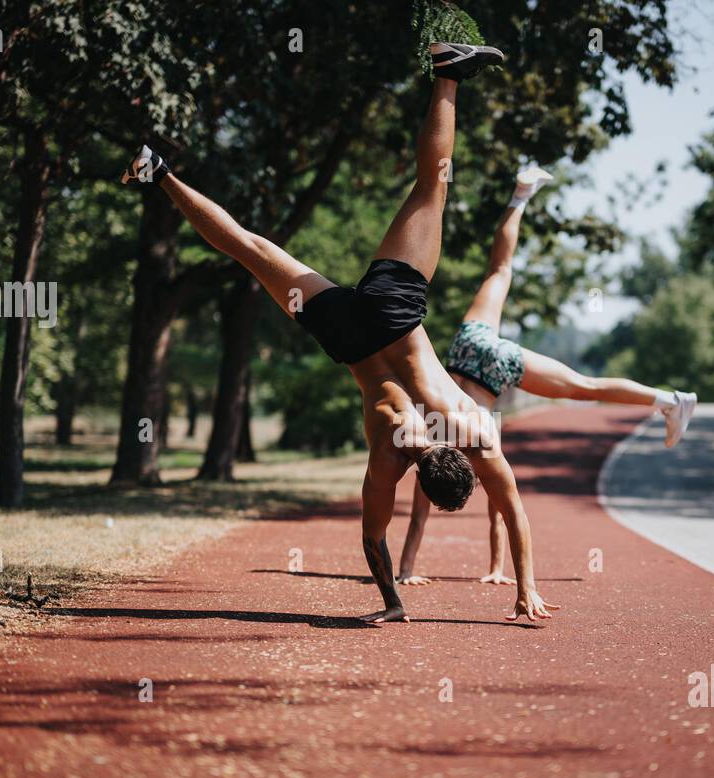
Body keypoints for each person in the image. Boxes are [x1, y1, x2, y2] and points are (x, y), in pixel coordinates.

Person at [120, 42, 558, 623]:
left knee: (433, 188)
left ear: (457, 456)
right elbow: (372, 542)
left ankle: (448, 76)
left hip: (392, 314)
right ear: (421, 480)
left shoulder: (473, 430)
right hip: (346, 337)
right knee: (249, 250)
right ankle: (159, 172)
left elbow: (515, 512)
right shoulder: (387, 457)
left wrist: (526, 584)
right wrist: (392, 604)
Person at [396, 168, 698, 586]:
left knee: (582, 387)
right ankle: (520, 193)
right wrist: (493, 569)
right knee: (498, 271)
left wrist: (416, 570)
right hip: (469, 345)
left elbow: (483, 509)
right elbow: (498, 507)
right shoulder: (434, 441)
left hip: (491, 369)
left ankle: (670, 401)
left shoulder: (462, 447)